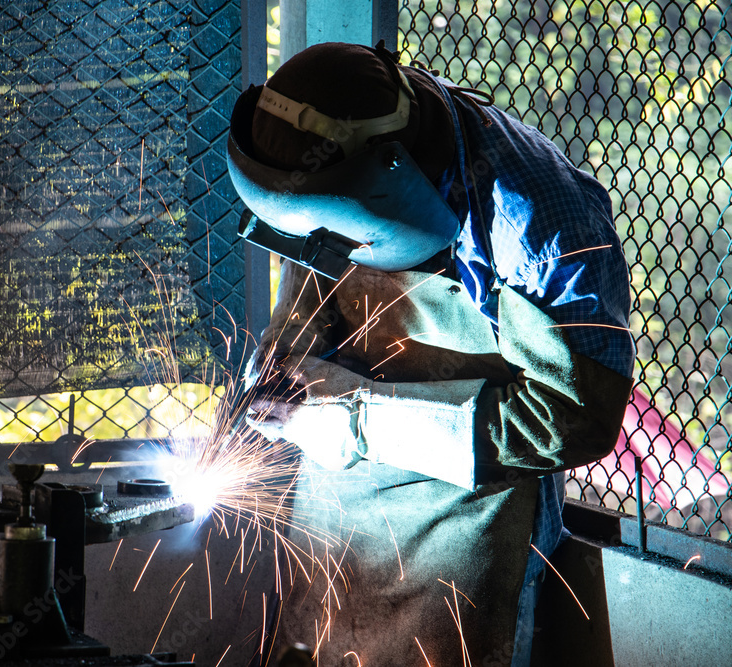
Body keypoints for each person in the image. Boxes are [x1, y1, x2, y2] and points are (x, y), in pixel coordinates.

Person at [226, 42, 634, 666]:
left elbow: (574, 419)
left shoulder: (541, 227)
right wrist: (285, 356)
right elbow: (318, 264)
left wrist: (353, 422)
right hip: (338, 490)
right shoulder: (336, 122)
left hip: (465, 514)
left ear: (389, 185)